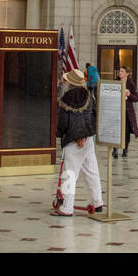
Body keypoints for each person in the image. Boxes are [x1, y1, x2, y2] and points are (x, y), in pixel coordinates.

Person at [53, 69, 103, 217]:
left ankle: (67, 208)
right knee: (92, 171)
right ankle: (98, 202)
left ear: (70, 83)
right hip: (87, 140)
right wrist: (87, 134)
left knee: (69, 174)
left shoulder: (65, 99)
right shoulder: (89, 96)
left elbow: (63, 122)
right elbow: (94, 115)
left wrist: (62, 134)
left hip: (72, 141)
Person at [113, 65, 138, 158]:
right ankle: (115, 149)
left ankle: (125, 149)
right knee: (116, 130)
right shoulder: (115, 82)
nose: (120, 73)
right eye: (120, 71)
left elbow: (136, 98)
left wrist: (129, 94)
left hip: (127, 111)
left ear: (127, 73)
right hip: (116, 110)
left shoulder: (131, 83)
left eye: (122, 71)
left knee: (126, 131)